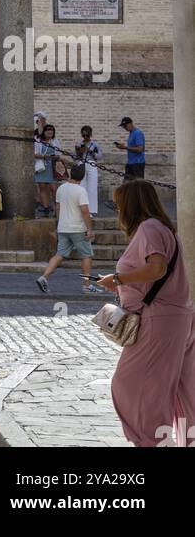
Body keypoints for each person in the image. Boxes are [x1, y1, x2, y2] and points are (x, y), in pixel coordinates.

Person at [96, 180, 195, 447]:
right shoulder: (163, 229)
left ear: (131, 204)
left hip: (159, 321)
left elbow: (157, 269)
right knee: (179, 390)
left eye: (118, 204)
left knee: (136, 387)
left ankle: (153, 443)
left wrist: (118, 279)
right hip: (177, 318)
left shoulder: (149, 228)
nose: (117, 209)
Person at [36, 163, 102, 296]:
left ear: (71, 174)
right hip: (77, 228)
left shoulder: (61, 188)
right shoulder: (80, 191)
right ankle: (87, 285)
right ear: (82, 177)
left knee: (59, 254)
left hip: (63, 227)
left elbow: (58, 208)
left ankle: (44, 277)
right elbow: (84, 211)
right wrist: (89, 229)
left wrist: (59, 223)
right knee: (86, 255)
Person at [75, 125, 102, 215]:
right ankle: (82, 209)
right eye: (84, 135)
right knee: (82, 186)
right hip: (82, 163)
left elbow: (99, 156)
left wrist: (90, 151)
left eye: (87, 135)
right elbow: (76, 157)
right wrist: (80, 151)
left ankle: (92, 210)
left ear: (90, 135)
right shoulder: (78, 144)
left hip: (91, 163)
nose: (85, 137)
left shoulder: (95, 144)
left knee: (92, 187)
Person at [34, 123, 59, 216]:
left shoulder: (55, 141)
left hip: (52, 167)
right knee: (42, 188)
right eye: (48, 130)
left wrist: (55, 157)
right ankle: (46, 209)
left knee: (54, 189)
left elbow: (59, 153)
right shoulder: (38, 141)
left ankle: (57, 208)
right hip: (42, 167)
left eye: (52, 130)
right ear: (44, 132)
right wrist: (45, 156)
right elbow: (34, 153)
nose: (50, 131)